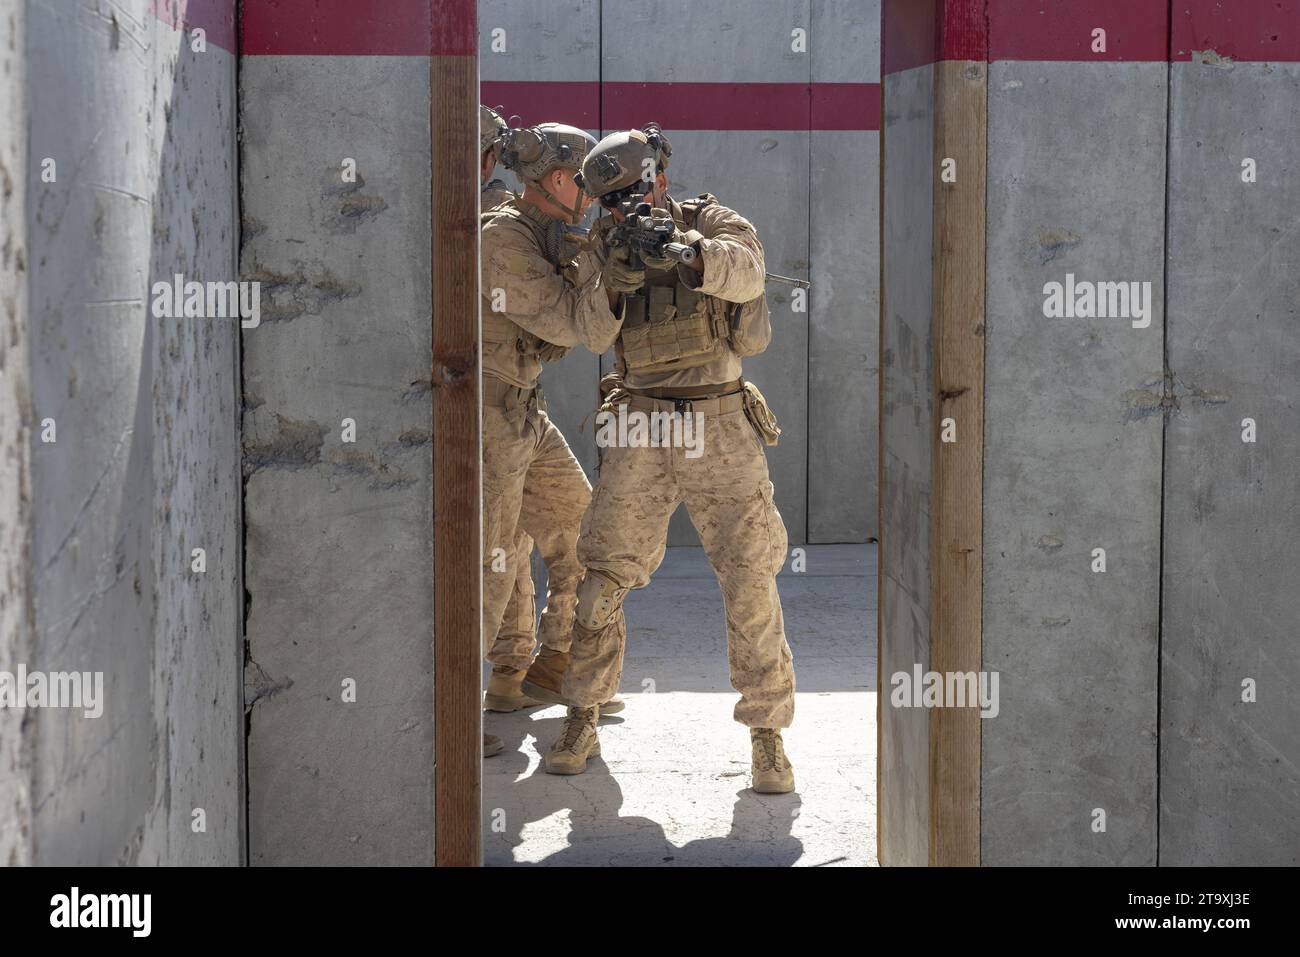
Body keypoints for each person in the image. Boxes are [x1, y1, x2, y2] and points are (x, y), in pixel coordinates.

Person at [543, 124, 797, 794]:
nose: (630, 205)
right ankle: (581, 714)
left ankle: (767, 735)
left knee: (750, 580)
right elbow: (591, 331)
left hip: (719, 420)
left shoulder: (713, 220)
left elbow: (745, 274)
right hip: (641, 422)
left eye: (638, 188)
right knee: (600, 582)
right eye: (614, 200)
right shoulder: (600, 246)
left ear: (660, 174)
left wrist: (689, 254)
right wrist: (617, 282)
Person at [479, 121, 640, 756]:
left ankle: (552, 667)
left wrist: (601, 247)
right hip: (489, 414)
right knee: (491, 563)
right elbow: (584, 328)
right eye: (589, 181)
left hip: (523, 408)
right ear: (557, 181)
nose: (597, 193)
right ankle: (456, 711)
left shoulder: (543, 228)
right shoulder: (504, 242)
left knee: (578, 525)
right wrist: (612, 274)